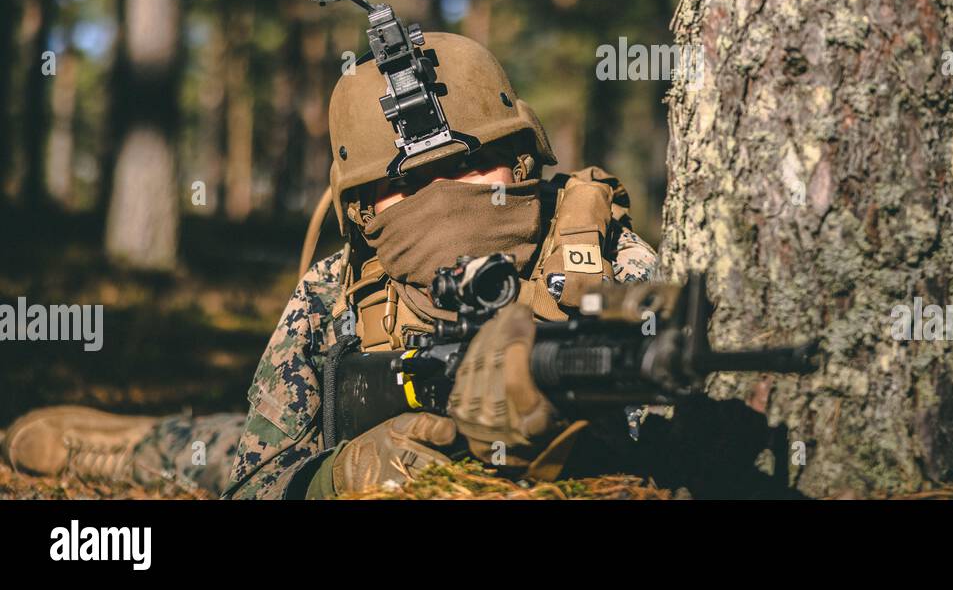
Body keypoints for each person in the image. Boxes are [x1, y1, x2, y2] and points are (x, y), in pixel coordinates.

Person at [1, 30, 657, 498]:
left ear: (522, 160)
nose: (443, 198)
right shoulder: (339, 287)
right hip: (316, 445)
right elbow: (259, 476)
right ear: (365, 210)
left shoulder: (605, 259)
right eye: (408, 183)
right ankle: (126, 445)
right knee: (212, 449)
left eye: (466, 164)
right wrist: (343, 476)